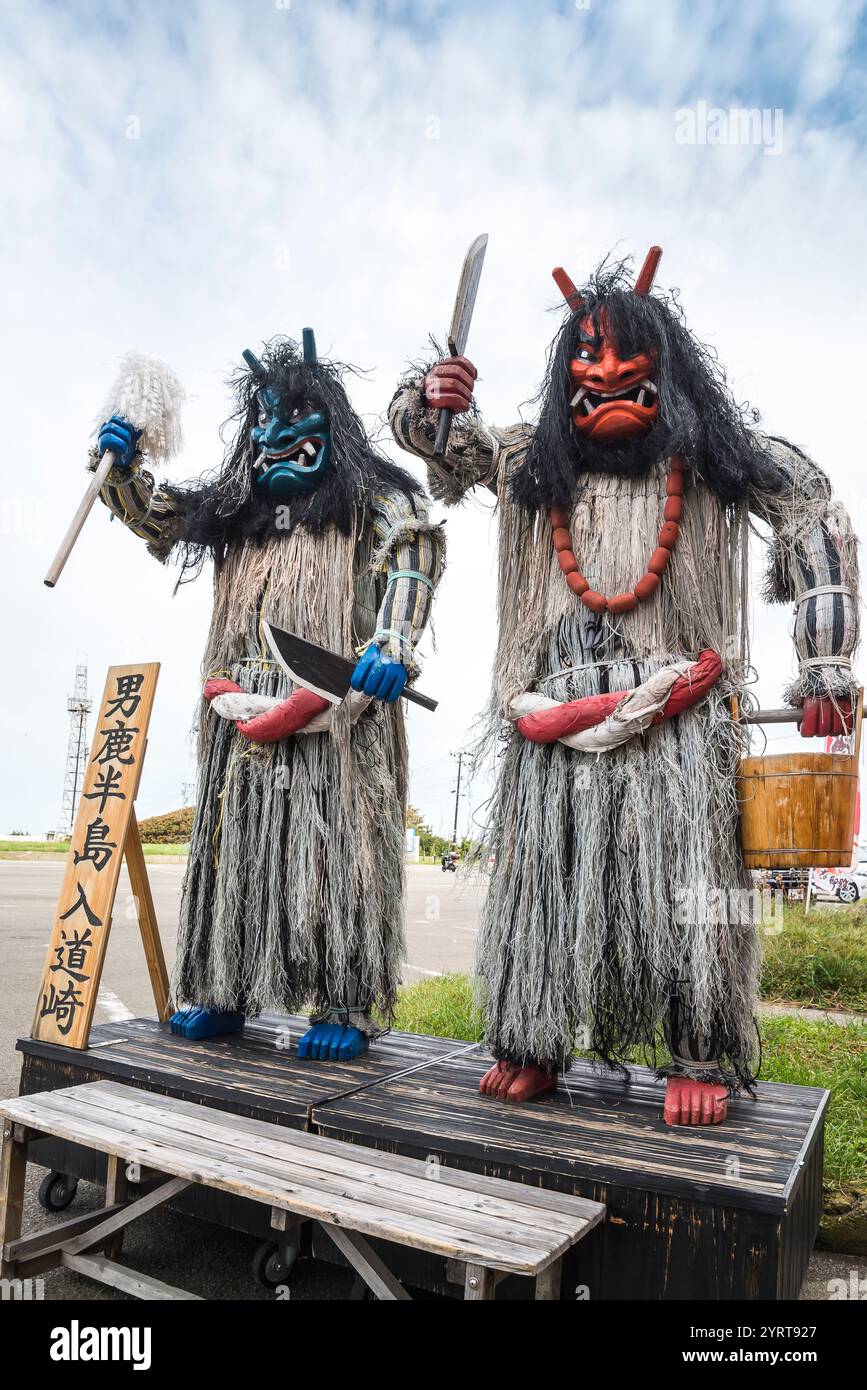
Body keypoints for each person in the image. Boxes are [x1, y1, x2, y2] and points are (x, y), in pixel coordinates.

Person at [388, 249, 858, 1122]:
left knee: (689, 898)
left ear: (667, 368)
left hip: (677, 719)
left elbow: (810, 504)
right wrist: (433, 399)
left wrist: (824, 657)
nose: (604, 372)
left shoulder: (712, 459)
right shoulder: (533, 466)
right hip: (550, 722)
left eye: (626, 358)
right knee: (542, 889)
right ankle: (531, 1041)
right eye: (587, 356)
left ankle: (699, 1051)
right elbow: (450, 453)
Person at [94, 332, 443, 1061]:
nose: (276, 432)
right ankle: (226, 984)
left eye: (295, 417)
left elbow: (410, 560)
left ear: (333, 426)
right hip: (239, 713)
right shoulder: (233, 511)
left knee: (338, 857)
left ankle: (345, 997)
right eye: (264, 419)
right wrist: (122, 470)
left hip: (336, 718)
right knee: (235, 854)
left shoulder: (378, 499)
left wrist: (391, 645)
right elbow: (156, 516)